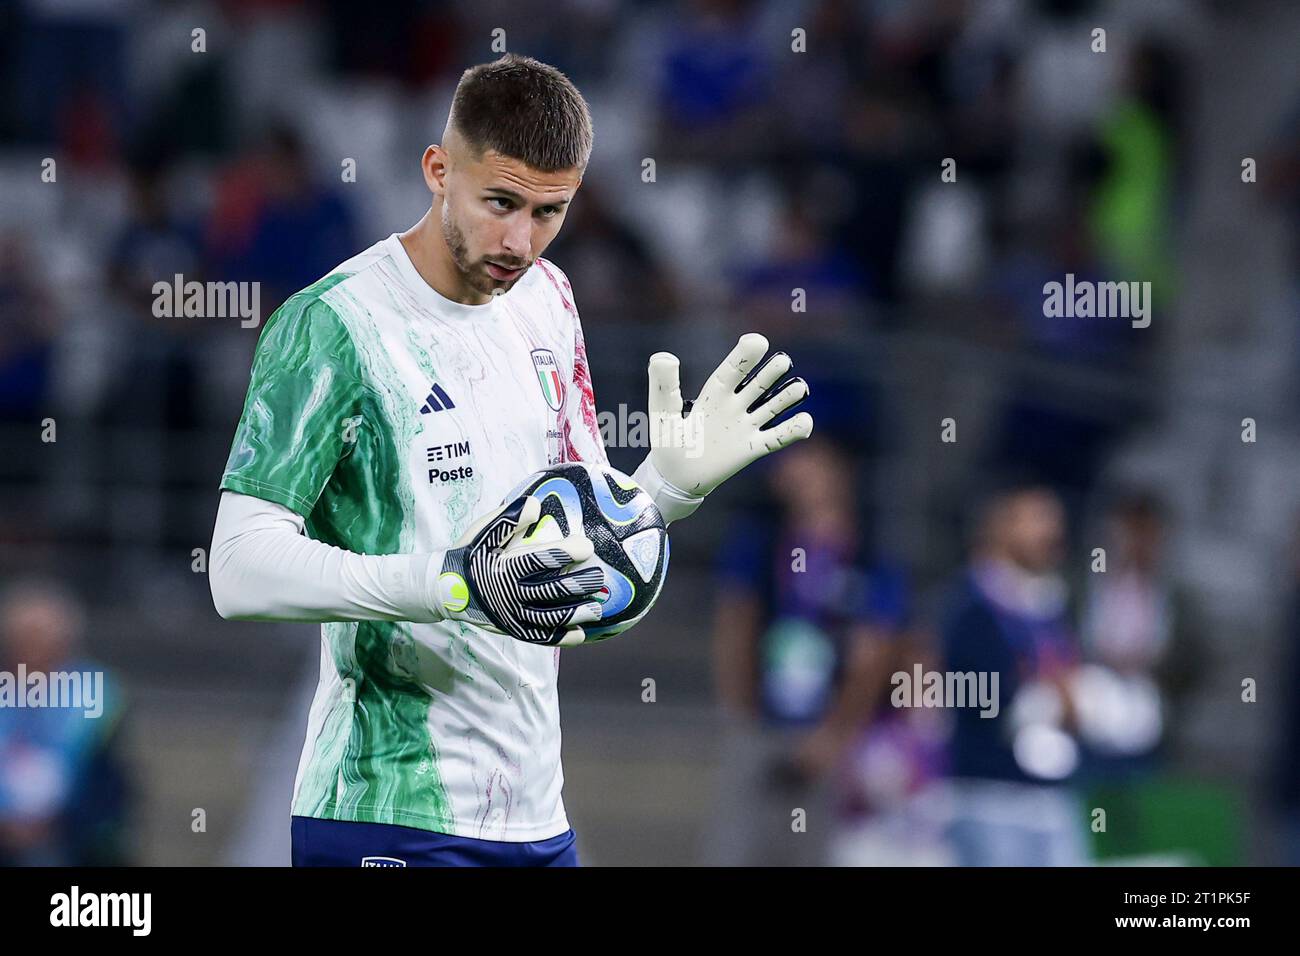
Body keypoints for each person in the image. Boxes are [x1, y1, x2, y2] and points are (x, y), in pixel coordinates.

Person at [207, 54, 813, 868]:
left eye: (548, 213)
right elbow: (238, 570)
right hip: (388, 808)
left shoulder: (549, 302)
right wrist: (451, 582)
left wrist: (662, 494)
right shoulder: (330, 327)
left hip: (535, 818)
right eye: (500, 203)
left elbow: (567, 562)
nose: (519, 241)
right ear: (436, 169)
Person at [703, 439, 904, 865]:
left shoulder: (868, 558)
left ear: (839, 469)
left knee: (811, 850)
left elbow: (875, 656)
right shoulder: (760, 545)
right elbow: (734, 629)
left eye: (807, 460)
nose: (794, 472)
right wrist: (740, 717)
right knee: (737, 846)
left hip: (828, 735)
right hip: (760, 725)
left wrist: (834, 736)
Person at [941, 482, 1089, 866]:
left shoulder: (1053, 607)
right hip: (990, 799)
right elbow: (974, 700)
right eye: (1038, 519)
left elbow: (1070, 688)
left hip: (1050, 797)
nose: (1052, 532)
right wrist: (1040, 697)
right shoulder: (970, 609)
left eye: (1055, 520)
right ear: (1001, 526)